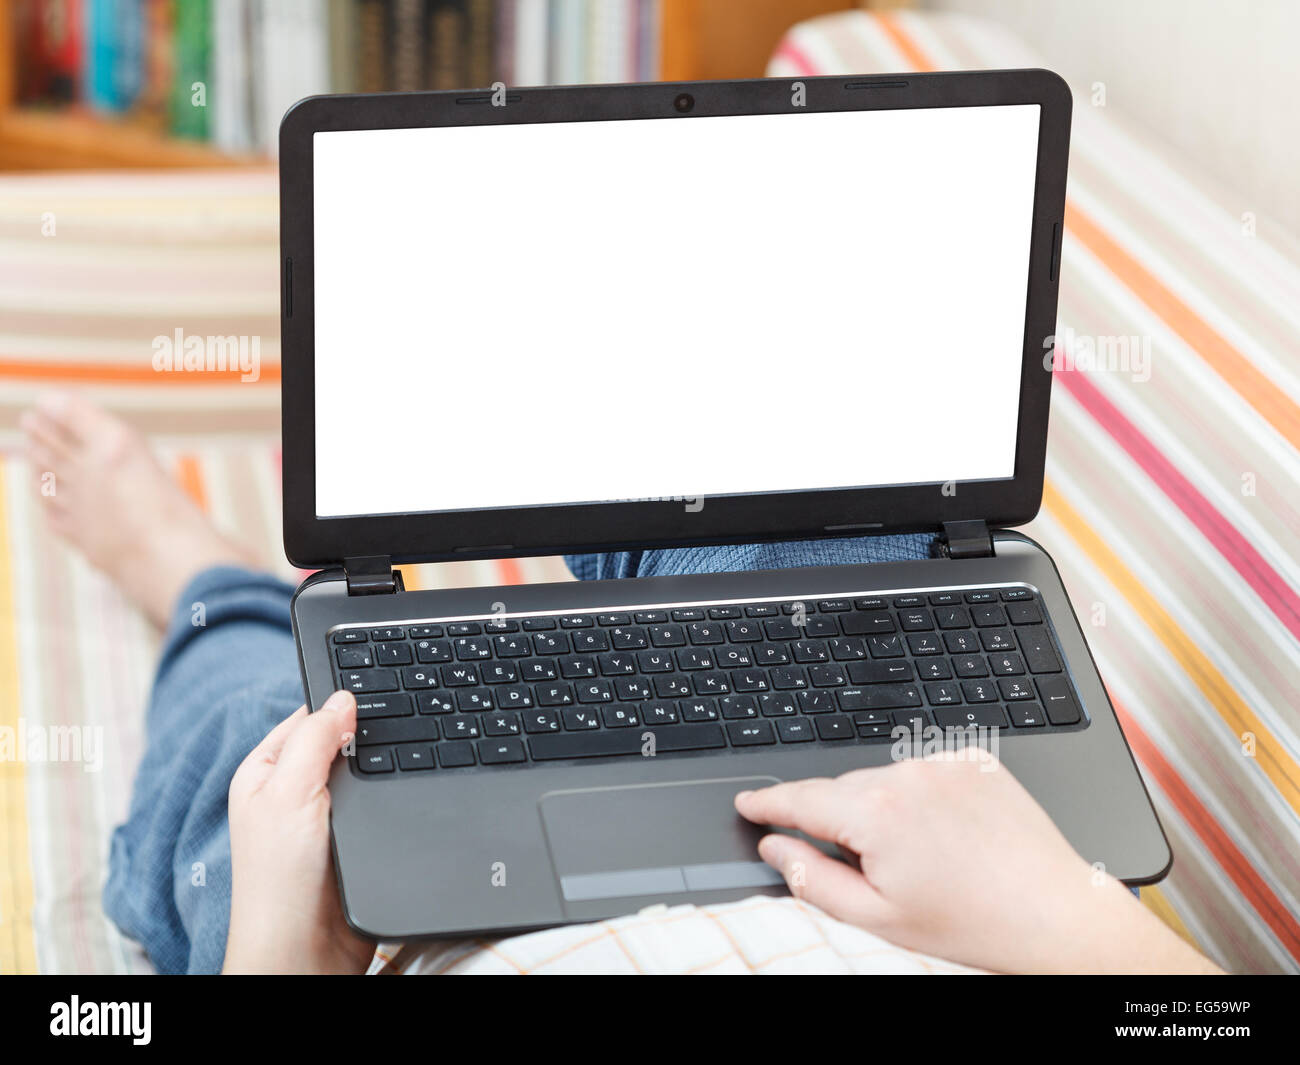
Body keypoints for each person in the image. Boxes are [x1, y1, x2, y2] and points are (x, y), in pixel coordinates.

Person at [19, 393, 1219, 975]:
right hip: (936, 896)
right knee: (802, 518)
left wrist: (284, 960)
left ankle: (201, 577)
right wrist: (1064, 918)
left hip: (437, 945)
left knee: (272, 749)